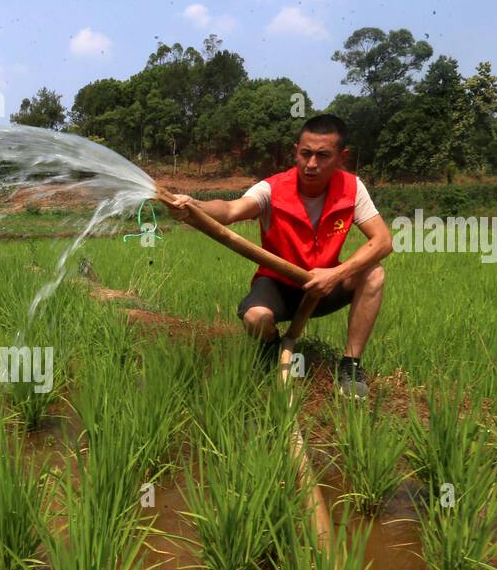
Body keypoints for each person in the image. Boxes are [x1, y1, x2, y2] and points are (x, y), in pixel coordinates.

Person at [165, 114, 392, 398]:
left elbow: (383, 240)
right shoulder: (271, 189)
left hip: (324, 284)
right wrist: (195, 206)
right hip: (278, 284)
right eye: (305, 154)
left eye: (323, 156)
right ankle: (271, 346)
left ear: (341, 156)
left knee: (375, 273)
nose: (311, 164)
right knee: (256, 317)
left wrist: (336, 274)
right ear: (295, 150)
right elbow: (231, 210)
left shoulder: (352, 188)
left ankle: (351, 364)